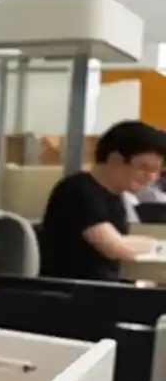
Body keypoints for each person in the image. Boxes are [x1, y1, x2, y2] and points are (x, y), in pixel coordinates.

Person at [40, 120, 166, 281]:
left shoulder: (116, 195)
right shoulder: (78, 191)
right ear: (115, 160)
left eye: (156, 170)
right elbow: (116, 246)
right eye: (144, 167)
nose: (151, 177)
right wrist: (160, 249)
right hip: (74, 294)